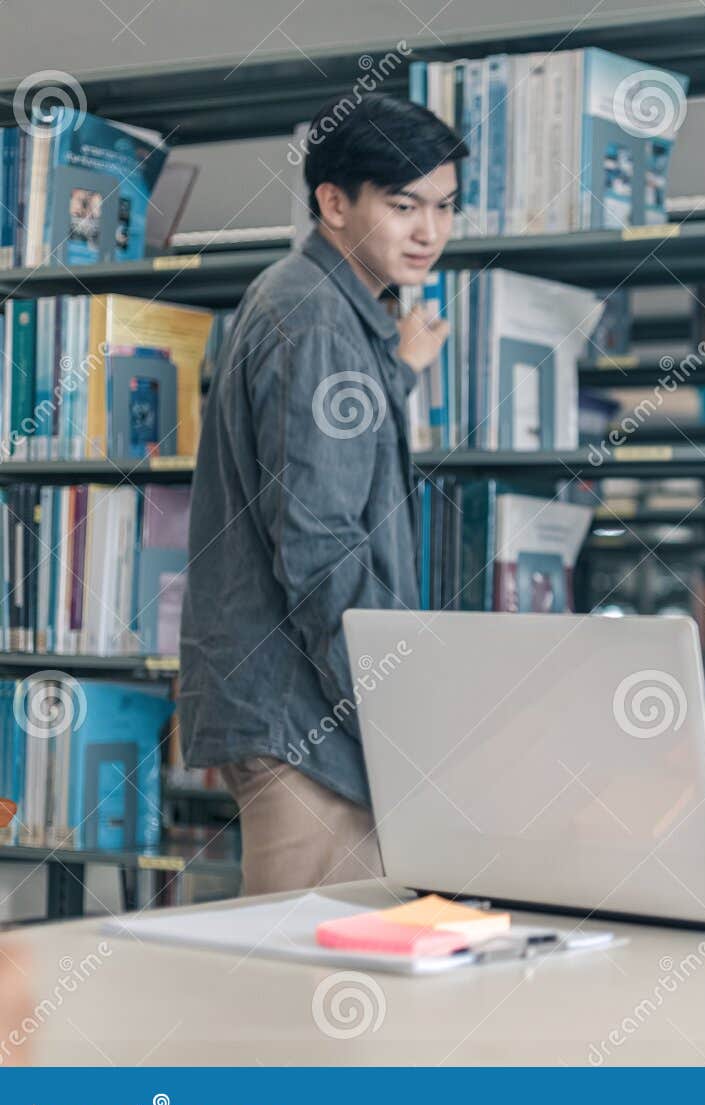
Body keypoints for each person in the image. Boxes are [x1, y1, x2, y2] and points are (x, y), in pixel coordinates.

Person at [179, 95, 463, 895]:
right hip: (308, 716)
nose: (428, 231)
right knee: (298, 991)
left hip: (307, 711)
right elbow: (317, 537)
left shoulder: (323, 310)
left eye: (444, 208)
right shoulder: (314, 322)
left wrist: (396, 371)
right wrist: (392, 703)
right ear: (334, 202)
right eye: (403, 205)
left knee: (340, 979)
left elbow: (325, 454)